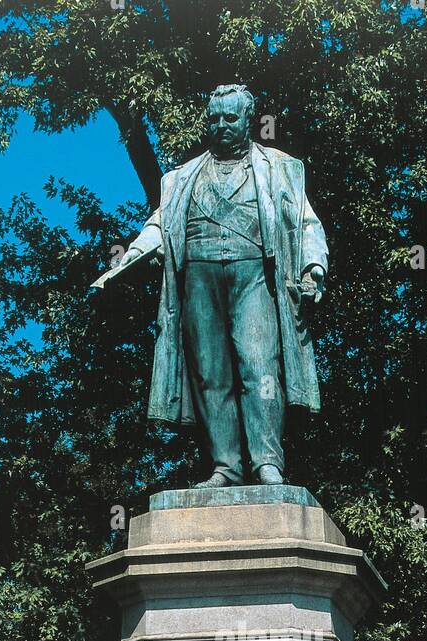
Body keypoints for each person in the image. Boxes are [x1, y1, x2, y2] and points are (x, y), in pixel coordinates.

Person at [91, 83, 328, 486]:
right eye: (214, 119)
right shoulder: (181, 177)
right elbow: (160, 225)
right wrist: (126, 260)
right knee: (209, 373)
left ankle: (267, 461)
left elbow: (306, 222)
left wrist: (312, 268)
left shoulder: (281, 169)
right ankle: (225, 465)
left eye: (230, 118)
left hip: (255, 275)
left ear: (249, 121)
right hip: (198, 278)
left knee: (259, 366)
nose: (221, 126)